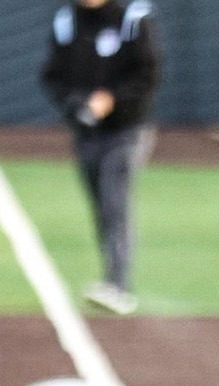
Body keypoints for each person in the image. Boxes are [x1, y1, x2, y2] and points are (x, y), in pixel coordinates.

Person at [40, 0, 160, 316]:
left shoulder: (132, 19)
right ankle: (110, 276)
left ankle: (119, 284)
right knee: (99, 206)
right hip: (86, 133)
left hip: (126, 130)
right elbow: (53, 75)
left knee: (114, 202)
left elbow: (147, 74)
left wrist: (114, 100)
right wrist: (77, 102)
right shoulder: (67, 21)